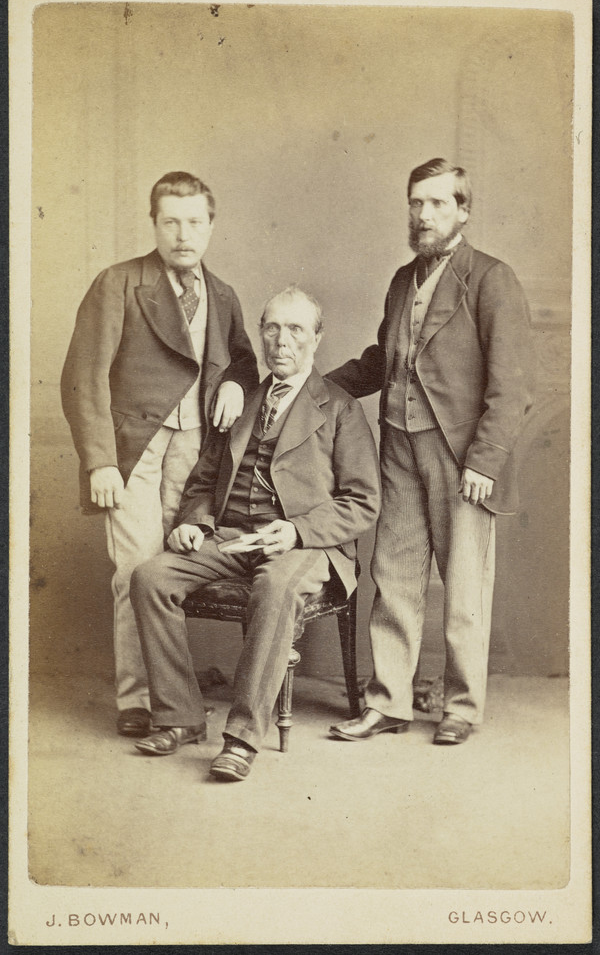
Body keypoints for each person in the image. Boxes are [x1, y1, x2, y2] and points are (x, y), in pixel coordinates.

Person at [128, 287, 381, 781]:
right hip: (232, 536)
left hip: (310, 544)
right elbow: (203, 480)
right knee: (149, 578)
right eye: (272, 328)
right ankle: (181, 717)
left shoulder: (340, 408)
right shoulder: (242, 400)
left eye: (295, 329)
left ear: (317, 339)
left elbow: (362, 501)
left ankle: (242, 737)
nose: (281, 341)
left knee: (277, 586)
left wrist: (296, 529)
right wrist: (193, 523)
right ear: (261, 334)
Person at [327, 157, 535, 746]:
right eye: (417, 203)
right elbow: (382, 360)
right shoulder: (402, 279)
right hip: (398, 447)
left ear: (462, 211)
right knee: (393, 577)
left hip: (461, 455)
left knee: (464, 586)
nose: (424, 215)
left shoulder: (491, 279)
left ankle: (462, 707)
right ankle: (388, 701)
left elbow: (512, 385)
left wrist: (484, 461)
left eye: (438, 203)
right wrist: (319, 390)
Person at [61, 172, 259, 738]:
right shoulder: (119, 283)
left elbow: (241, 360)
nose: (182, 234)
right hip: (135, 451)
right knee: (136, 570)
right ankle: (138, 699)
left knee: (173, 568)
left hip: (197, 451)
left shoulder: (221, 295)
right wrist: (100, 460)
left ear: (211, 226)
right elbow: (83, 376)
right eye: (170, 221)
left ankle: (175, 696)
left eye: (194, 221)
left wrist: (236, 385)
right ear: (154, 224)